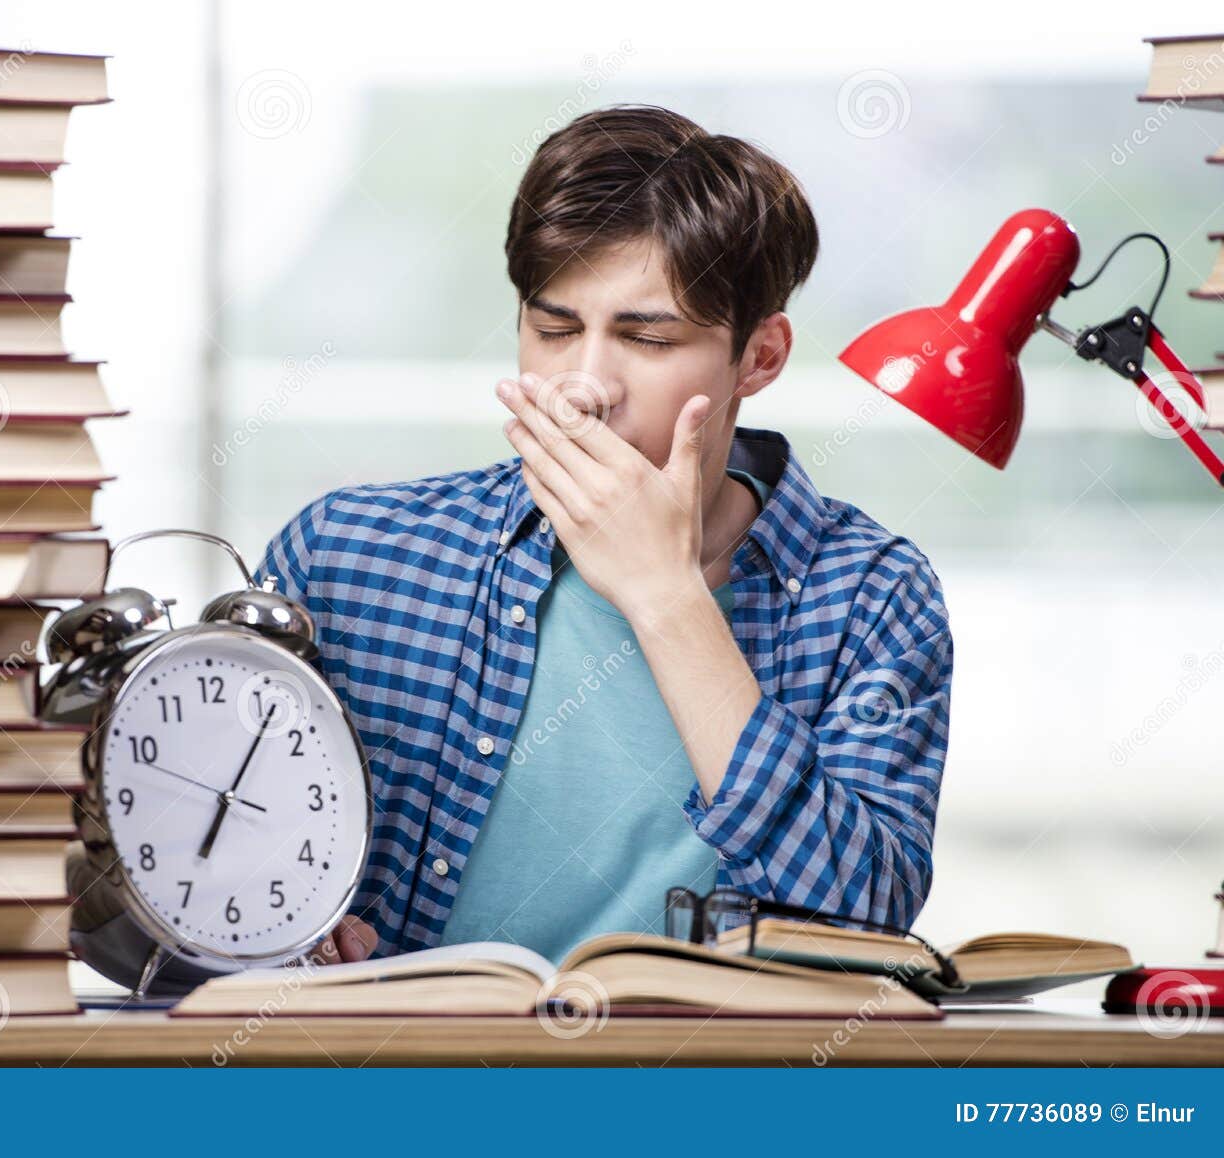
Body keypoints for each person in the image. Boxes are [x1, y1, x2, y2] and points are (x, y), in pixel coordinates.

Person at [259, 104, 953, 966]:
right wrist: (268, 926)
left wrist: (668, 599)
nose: (585, 387)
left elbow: (869, 927)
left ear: (760, 358)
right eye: (552, 331)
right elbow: (173, 868)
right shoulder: (345, 558)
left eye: (648, 338)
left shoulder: (870, 595)